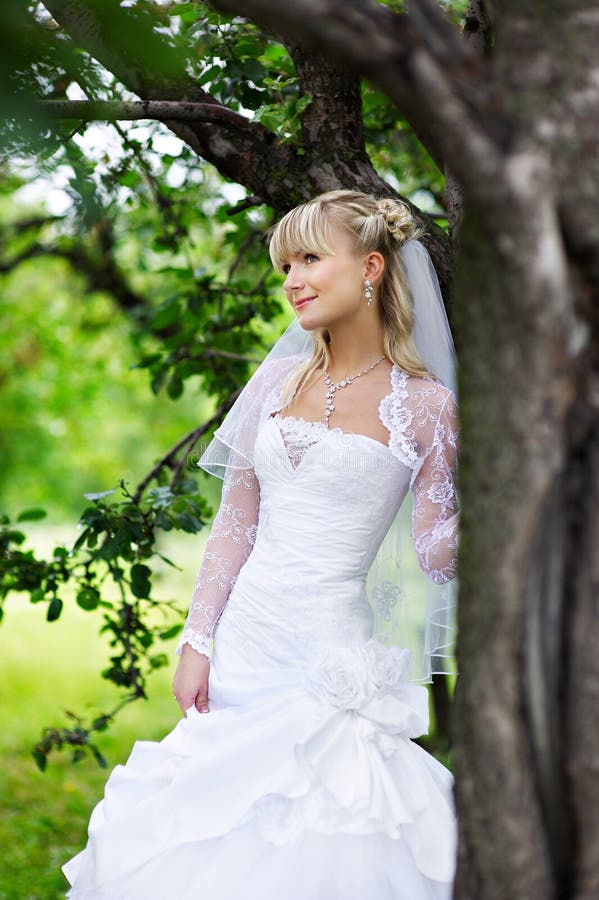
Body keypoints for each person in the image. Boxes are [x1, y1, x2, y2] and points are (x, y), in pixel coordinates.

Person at [63, 189, 459, 899]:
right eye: (283, 265)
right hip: (245, 644)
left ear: (370, 267)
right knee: (199, 822)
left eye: (310, 258)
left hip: (326, 653)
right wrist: (197, 641)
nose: (291, 281)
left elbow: (432, 550)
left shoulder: (426, 405)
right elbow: (233, 523)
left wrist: (500, 503)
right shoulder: (277, 380)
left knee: (325, 829)